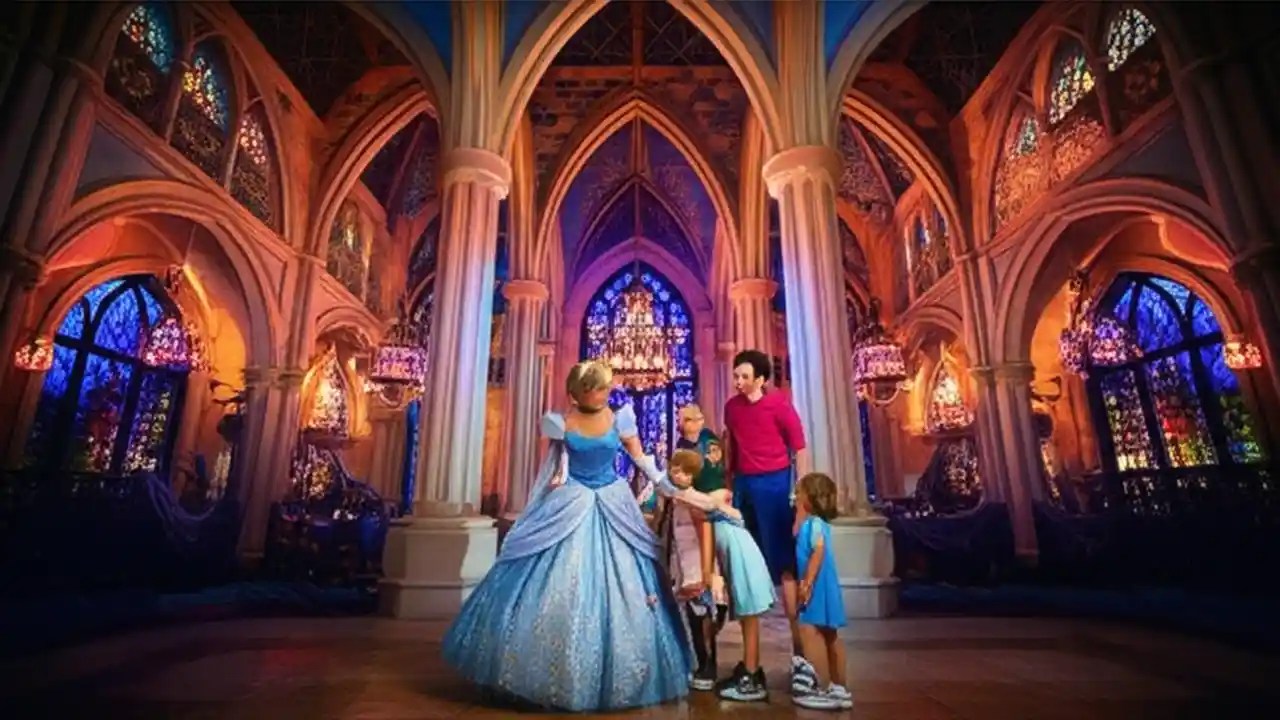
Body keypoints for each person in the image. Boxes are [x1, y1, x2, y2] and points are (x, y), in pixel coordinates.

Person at [442, 360, 691, 712]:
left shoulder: (620, 418)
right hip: (572, 501)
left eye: (605, 387)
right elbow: (553, 471)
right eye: (597, 388)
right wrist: (537, 512)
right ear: (578, 392)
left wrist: (666, 485)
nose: (604, 393)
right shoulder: (560, 423)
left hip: (612, 499)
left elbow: (640, 459)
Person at [721, 349, 819, 696]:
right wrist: (729, 484)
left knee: (785, 568)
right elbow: (731, 446)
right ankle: (751, 666)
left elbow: (799, 447)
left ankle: (801, 656)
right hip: (744, 486)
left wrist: (800, 493)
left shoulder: (779, 405)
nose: (738, 381)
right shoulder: (732, 408)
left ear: (761, 379)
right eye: (736, 376)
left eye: (744, 376)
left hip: (776, 486)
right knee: (745, 565)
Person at [659, 449, 775, 703]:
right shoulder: (706, 505)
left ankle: (750, 675)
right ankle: (749, 670)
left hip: (737, 559)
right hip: (728, 559)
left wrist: (707, 574)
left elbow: (708, 532)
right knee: (743, 618)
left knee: (745, 616)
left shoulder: (704, 506)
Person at [793, 472, 853, 710]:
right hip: (827, 585)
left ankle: (820, 685)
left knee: (810, 631)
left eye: (800, 493)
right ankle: (839, 687)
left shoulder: (813, 524)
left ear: (811, 497)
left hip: (816, 586)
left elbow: (817, 553)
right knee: (831, 634)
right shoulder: (821, 524)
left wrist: (807, 583)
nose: (796, 497)